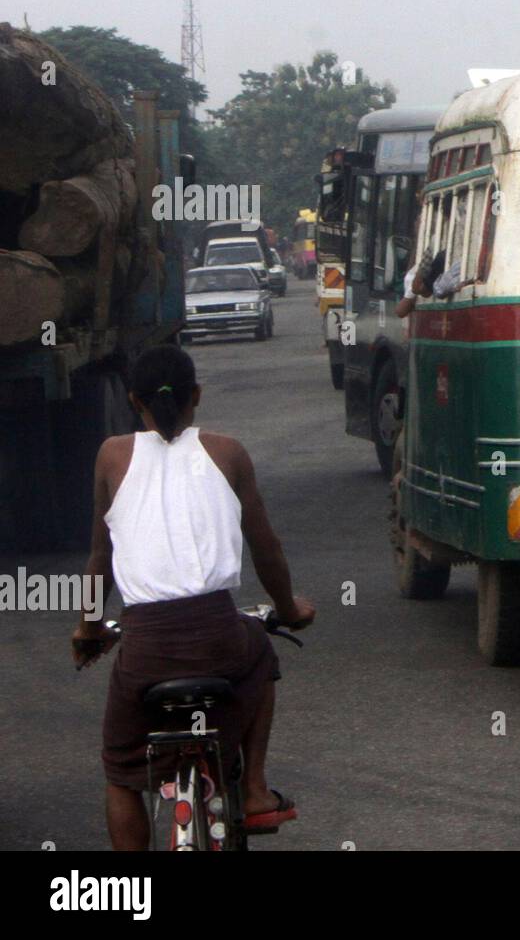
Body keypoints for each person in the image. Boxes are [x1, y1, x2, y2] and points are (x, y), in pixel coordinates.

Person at [71, 345, 316, 850]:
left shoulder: (112, 456)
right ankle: (252, 789)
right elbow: (265, 546)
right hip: (220, 638)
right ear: (196, 396)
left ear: (133, 400)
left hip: (144, 650)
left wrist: (89, 631)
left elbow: (100, 560)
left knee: (122, 775)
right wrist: (289, 608)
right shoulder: (228, 452)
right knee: (261, 653)